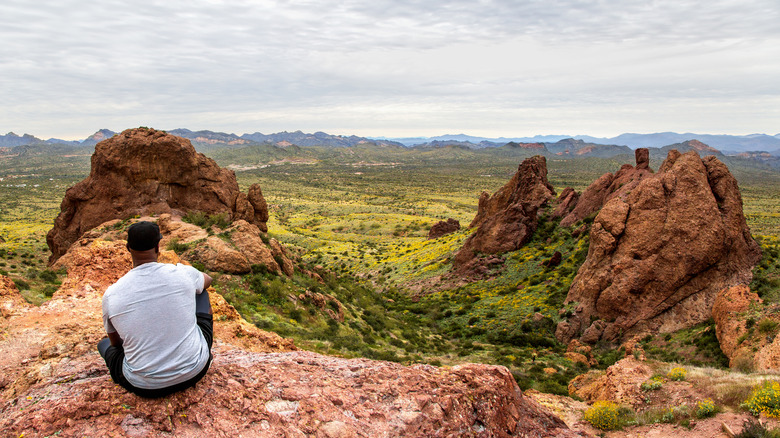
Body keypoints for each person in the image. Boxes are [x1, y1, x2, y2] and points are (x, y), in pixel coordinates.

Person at [97, 221, 214, 398]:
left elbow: (116, 344)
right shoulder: (182, 273)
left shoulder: (112, 294)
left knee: (104, 345)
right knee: (201, 293)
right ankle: (193, 350)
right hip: (196, 370)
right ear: (158, 247)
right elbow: (208, 279)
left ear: (128, 248)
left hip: (143, 386)